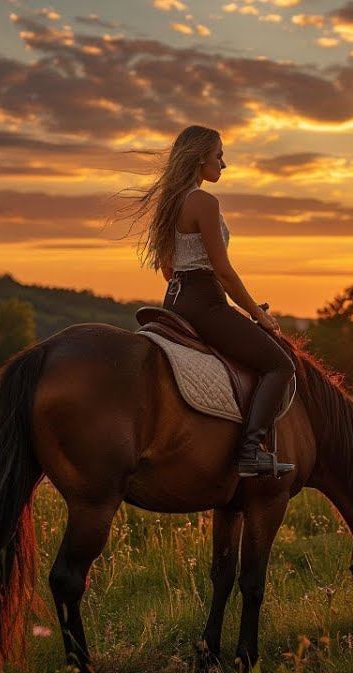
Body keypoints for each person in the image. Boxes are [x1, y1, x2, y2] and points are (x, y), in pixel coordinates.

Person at [126, 125, 296, 477]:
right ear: (201, 157)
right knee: (280, 365)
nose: (224, 163)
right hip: (205, 303)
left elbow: (168, 268)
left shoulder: (170, 204)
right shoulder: (203, 202)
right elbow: (223, 271)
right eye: (219, 155)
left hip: (175, 302)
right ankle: (250, 452)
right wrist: (257, 316)